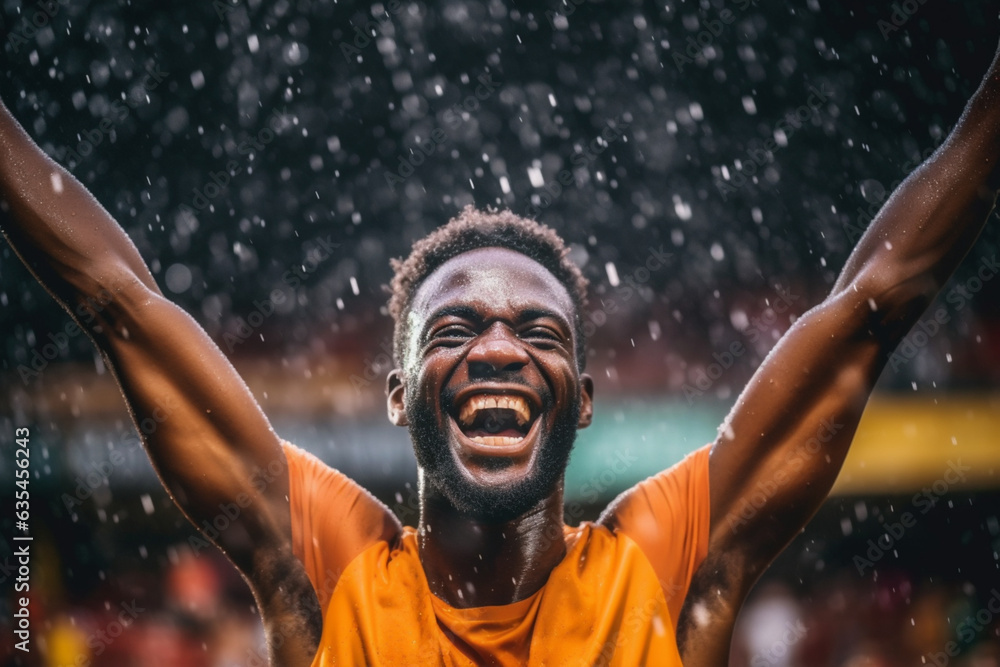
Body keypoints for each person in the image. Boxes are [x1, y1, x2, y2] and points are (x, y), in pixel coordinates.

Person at [2, 29, 999, 666]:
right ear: (399, 393)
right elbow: (118, 302)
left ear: (583, 395)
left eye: (536, 331)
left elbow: (872, 306)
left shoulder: (658, 567)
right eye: (454, 329)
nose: (496, 348)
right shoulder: (334, 570)